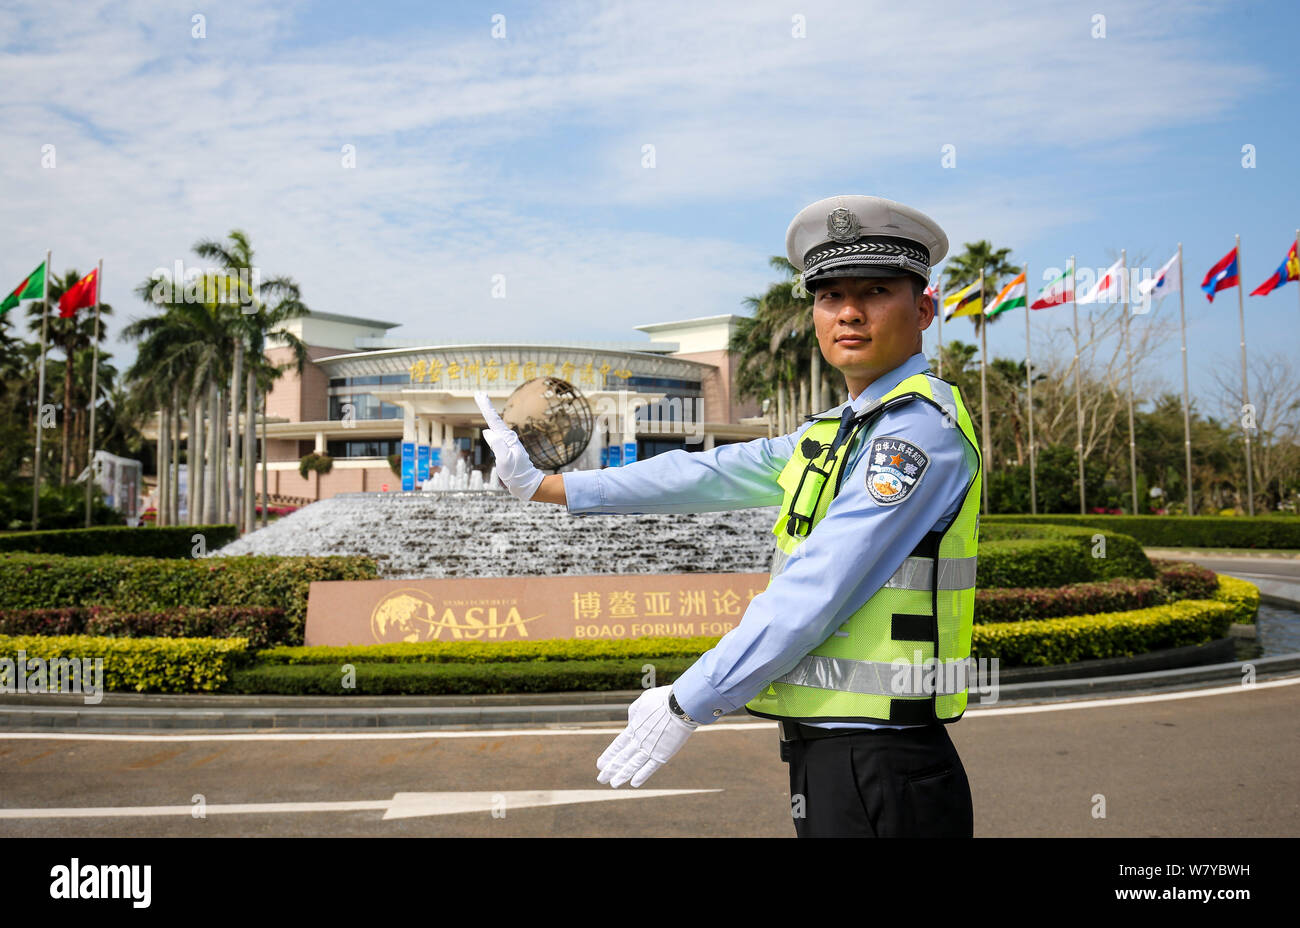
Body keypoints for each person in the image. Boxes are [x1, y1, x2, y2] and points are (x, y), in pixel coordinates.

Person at [474, 195, 982, 838]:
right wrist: (550, 486)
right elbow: (704, 473)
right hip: (843, 754)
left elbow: (817, 588)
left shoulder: (913, 434)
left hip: (883, 757)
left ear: (924, 309)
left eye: (876, 290)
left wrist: (690, 699)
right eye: (829, 295)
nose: (849, 311)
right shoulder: (842, 430)